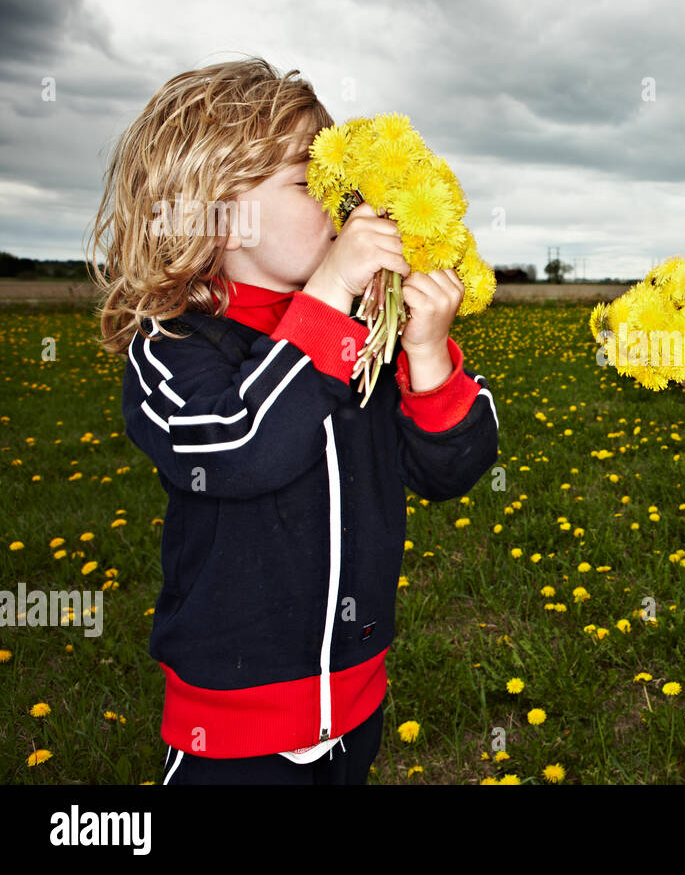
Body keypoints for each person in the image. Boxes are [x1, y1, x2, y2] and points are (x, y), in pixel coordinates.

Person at [88, 57, 499, 783]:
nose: (345, 208)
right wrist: (333, 288)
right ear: (220, 212)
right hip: (232, 726)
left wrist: (427, 351)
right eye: (313, 186)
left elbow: (450, 471)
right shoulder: (173, 346)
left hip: (356, 706)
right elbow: (241, 447)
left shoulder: (358, 336)